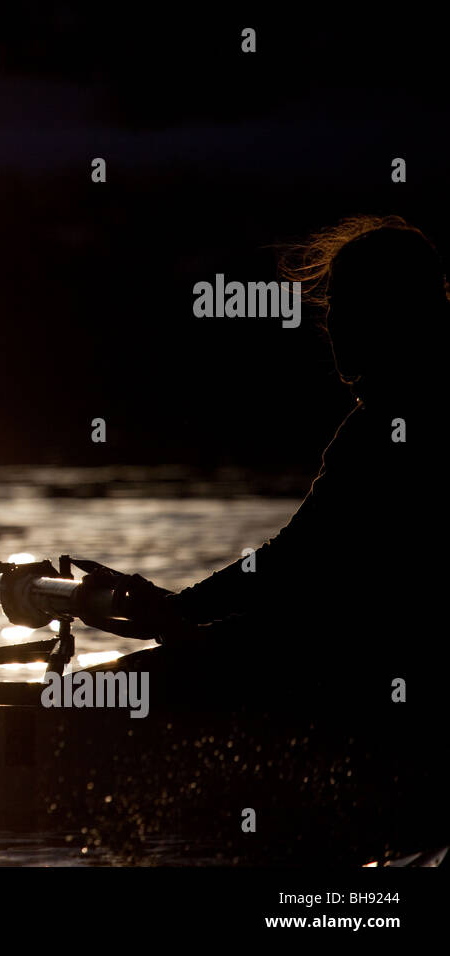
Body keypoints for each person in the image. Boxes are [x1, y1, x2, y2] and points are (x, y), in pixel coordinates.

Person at [102, 216, 448, 699]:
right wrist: (181, 607)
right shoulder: (393, 413)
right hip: (366, 648)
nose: (333, 321)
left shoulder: (390, 427)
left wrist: (179, 613)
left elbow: (296, 558)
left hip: (376, 667)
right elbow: (305, 564)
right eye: (331, 303)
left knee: (119, 685)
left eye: (348, 303)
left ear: (396, 314)